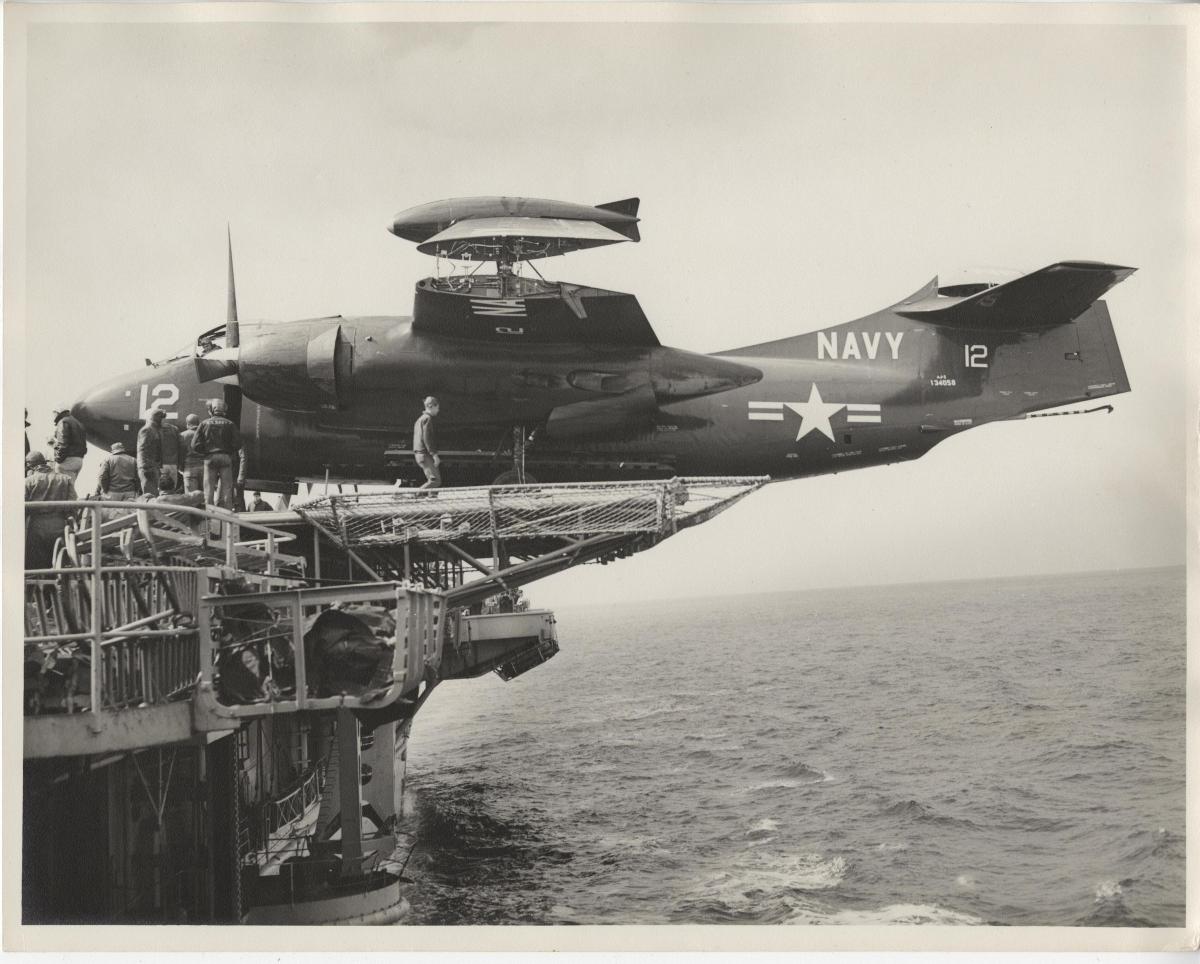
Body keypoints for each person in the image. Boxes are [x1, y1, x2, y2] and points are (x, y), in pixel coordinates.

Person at [25, 450, 77, 569]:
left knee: (36, 566)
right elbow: (73, 505)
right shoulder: (66, 479)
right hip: (59, 525)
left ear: (30, 465)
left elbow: (22, 509)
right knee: (59, 563)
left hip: (36, 527)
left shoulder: (28, 482)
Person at [192, 399, 242, 510]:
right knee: (227, 489)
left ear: (212, 410)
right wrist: (229, 450)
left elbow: (194, 444)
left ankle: (208, 517)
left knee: (208, 490)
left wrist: (205, 451)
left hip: (210, 458)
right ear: (224, 410)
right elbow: (238, 443)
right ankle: (227, 517)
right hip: (225, 457)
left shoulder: (204, 423)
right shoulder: (230, 424)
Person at [51, 405, 87, 482]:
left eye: (54, 412)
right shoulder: (78, 423)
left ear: (58, 412)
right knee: (70, 489)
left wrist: (58, 459)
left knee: (62, 489)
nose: (53, 415)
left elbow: (63, 444)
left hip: (67, 461)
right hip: (78, 460)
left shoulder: (63, 422)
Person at [412, 395, 441, 489]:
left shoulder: (419, 419)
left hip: (419, 454)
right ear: (431, 406)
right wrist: (434, 455)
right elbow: (427, 438)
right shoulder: (428, 419)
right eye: (437, 407)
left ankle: (432, 497)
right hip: (424, 454)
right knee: (435, 481)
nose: (438, 410)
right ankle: (414, 496)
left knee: (434, 480)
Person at [136, 409, 165, 497]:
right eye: (160, 418)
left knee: (153, 494)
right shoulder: (147, 430)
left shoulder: (155, 429)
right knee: (149, 494)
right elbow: (143, 449)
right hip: (148, 468)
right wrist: (145, 467)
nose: (162, 420)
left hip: (153, 467)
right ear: (155, 418)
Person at [179, 413, 204, 494]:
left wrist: (181, 467)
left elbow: (181, 454)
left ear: (187, 424)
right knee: (204, 498)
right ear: (198, 423)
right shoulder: (205, 434)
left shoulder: (182, 435)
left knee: (191, 499)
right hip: (204, 469)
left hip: (189, 468)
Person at [159, 413, 183, 494]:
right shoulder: (175, 429)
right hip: (173, 463)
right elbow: (181, 445)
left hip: (160, 463)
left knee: (161, 487)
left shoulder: (157, 429)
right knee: (172, 488)